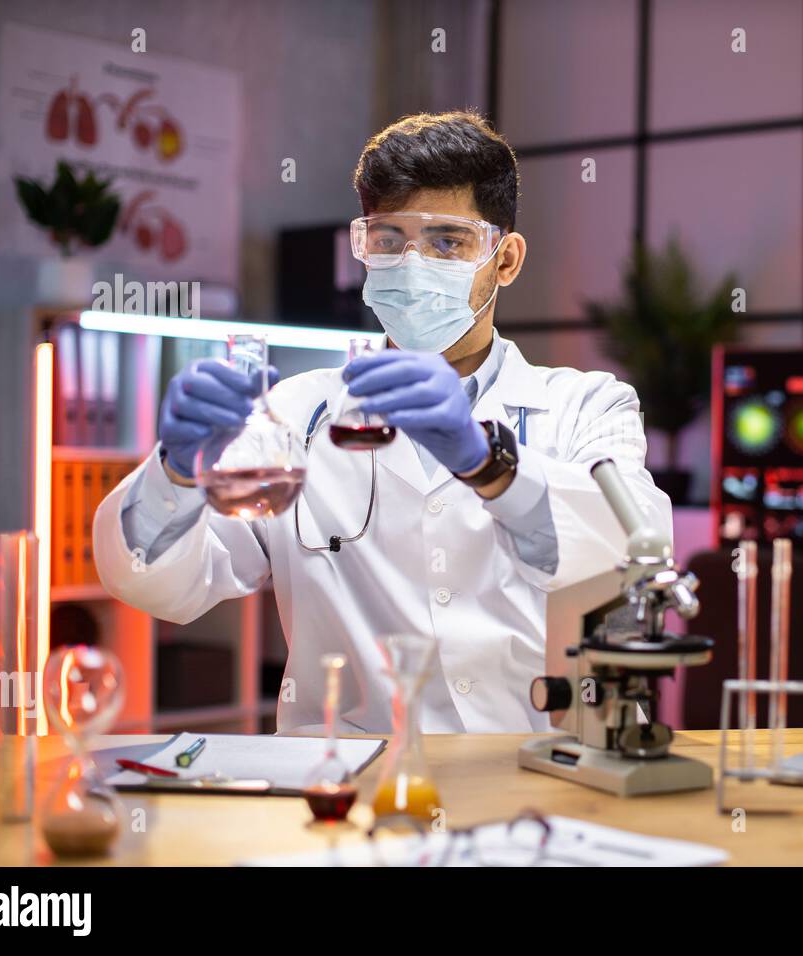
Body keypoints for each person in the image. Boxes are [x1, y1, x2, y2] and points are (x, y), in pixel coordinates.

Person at [94, 111, 671, 734]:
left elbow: (633, 547)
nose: (413, 263)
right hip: (351, 781)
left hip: (540, 772)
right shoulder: (295, 414)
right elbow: (166, 587)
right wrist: (176, 473)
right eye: (390, 239)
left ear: (505, 261)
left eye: (448, 241)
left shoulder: (588, 405)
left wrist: (486, 461)